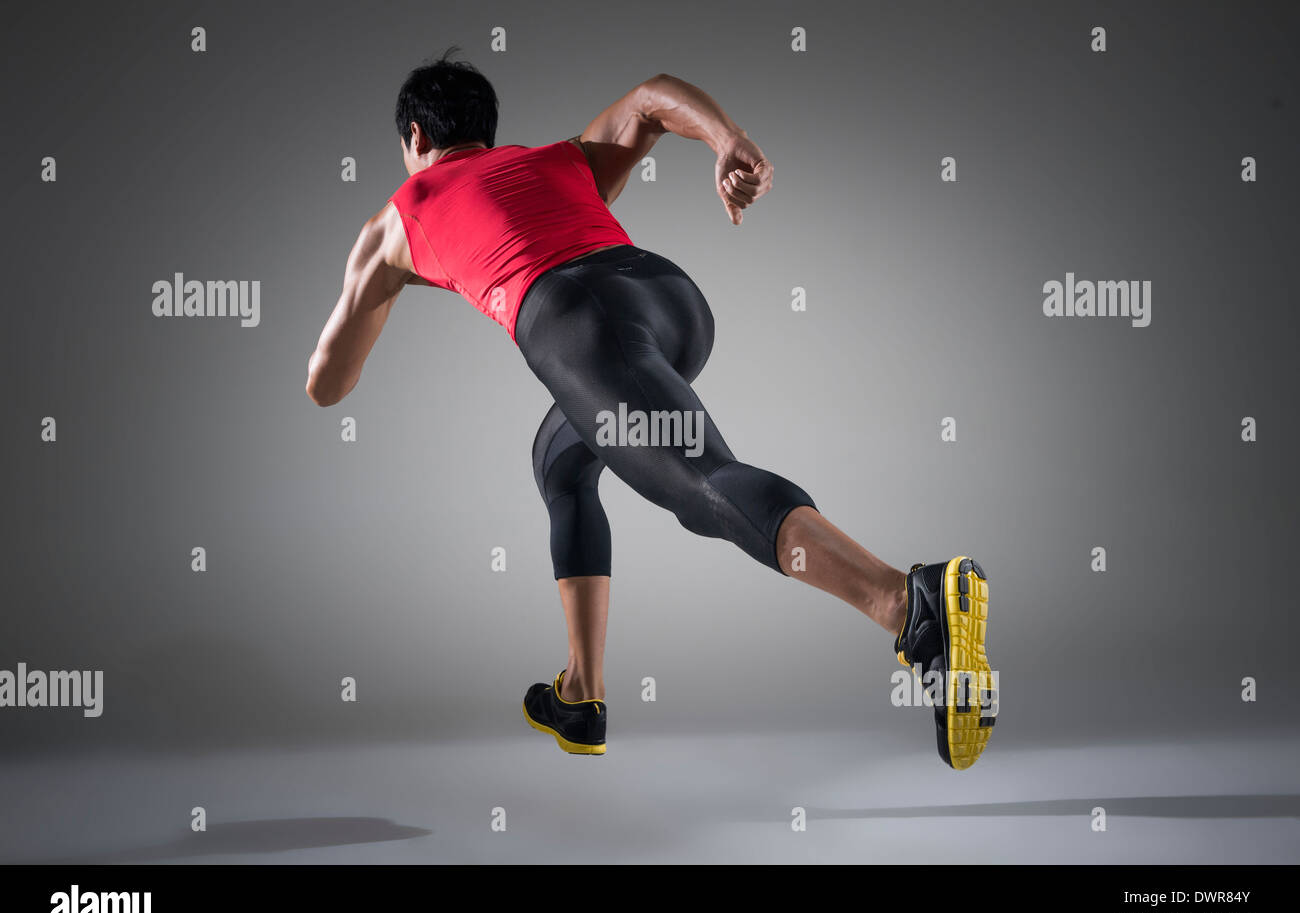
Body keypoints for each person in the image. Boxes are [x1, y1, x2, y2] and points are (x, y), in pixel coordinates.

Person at [305, 47, 995, 769]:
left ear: (416, 138)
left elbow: (330, 383)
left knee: (703, 485)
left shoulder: (396, 219)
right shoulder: (555, 158)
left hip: (583, 323)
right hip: (670, 304)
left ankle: (908, 605)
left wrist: (388, 281)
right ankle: (581, 692)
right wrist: (727, 140)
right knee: (560, 465)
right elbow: (650, 98)